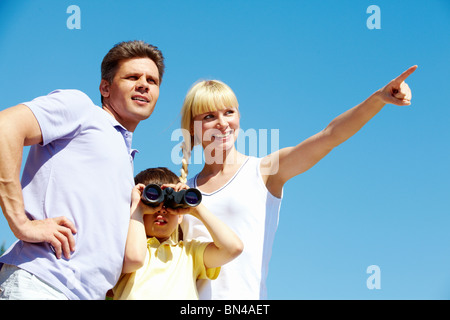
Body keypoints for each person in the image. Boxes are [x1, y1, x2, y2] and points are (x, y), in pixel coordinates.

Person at [178, 66, 417, 299]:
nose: (222, 123)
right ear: (193, 128)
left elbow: (329, 136)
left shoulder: (263, 171)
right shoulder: (183, 191)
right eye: (209, 116)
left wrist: (378, 99)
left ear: (239, 116)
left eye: (228, 112)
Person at [0, 40, 165, 300]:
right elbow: (5, 127)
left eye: (152, 81)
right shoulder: (82, 109)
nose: (144, 84)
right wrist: (21, 223)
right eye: (132, 77)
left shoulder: (125, 158)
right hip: (43, 284)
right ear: (105, 88)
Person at [112, 167, 243, 300]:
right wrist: (137, 209)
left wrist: (196, 209)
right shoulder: (123, 250)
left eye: (169, 204)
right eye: (153, 201)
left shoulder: (189, 253)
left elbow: (233, 248)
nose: (161, 210)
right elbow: (134, 259)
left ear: (180, 216)